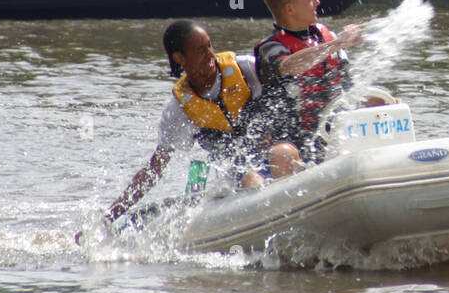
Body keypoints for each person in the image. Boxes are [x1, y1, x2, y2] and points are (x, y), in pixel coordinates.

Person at [103, 20, 304, 225]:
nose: (209, 54)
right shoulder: (179, 110)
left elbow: (290, 88)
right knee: (251, 179)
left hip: (280, 149)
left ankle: (298, 218)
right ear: (180, 58)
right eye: (200, 50)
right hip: (240, 174)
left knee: (283, 154)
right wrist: (108, 218)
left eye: (209, 45)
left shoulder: (246, 69)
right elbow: (154, 170)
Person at [254, 0, 366, 158]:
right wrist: (337, 43)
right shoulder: (270, 49)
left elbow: (351, 91)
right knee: (283, 153)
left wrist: (385, 105)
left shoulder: (326, 38)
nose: (317, 3)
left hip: (335, 138)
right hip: (294, 147)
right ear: (290, 9)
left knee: (382, 103)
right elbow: (288, 66)